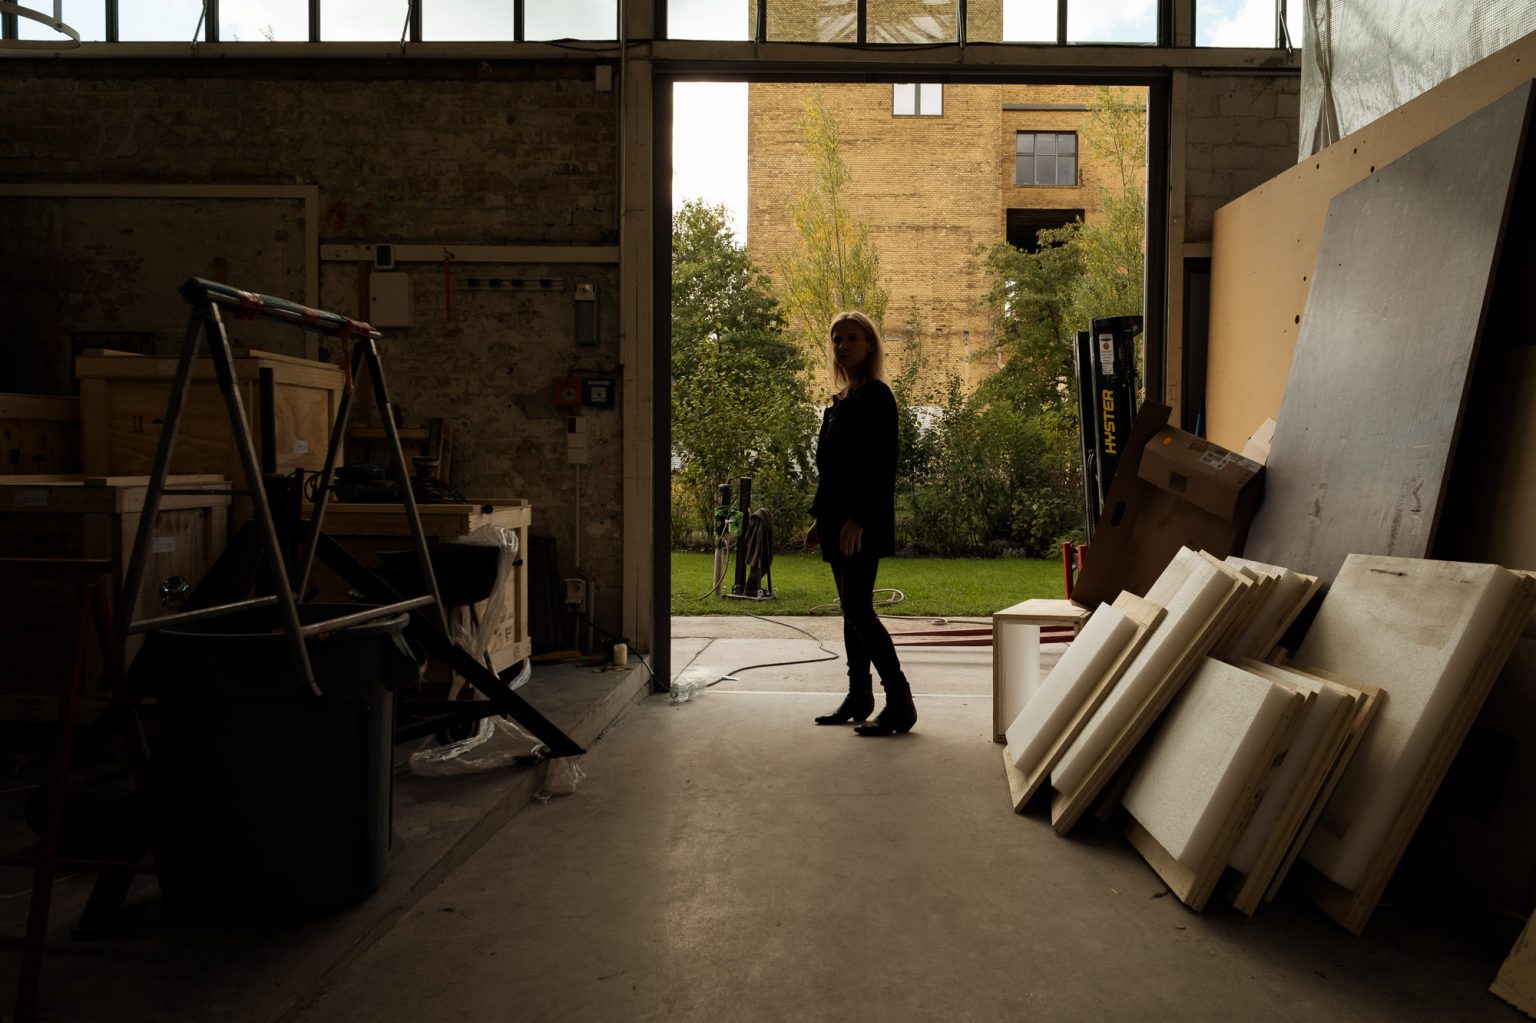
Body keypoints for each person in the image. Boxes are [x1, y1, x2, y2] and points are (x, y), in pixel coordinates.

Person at [804, 311, 916, 737]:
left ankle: (900, 702)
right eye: (837, 339)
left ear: (870, 345)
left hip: (860, 523)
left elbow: (880, 467)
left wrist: (858, 520)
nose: (843, 345)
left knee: (858, 609)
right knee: (851, 610)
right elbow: (832, 470)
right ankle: (858, 696)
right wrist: (821, 519)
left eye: (852, 338)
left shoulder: (876, 397)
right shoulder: (840, 401)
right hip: (837, 520)